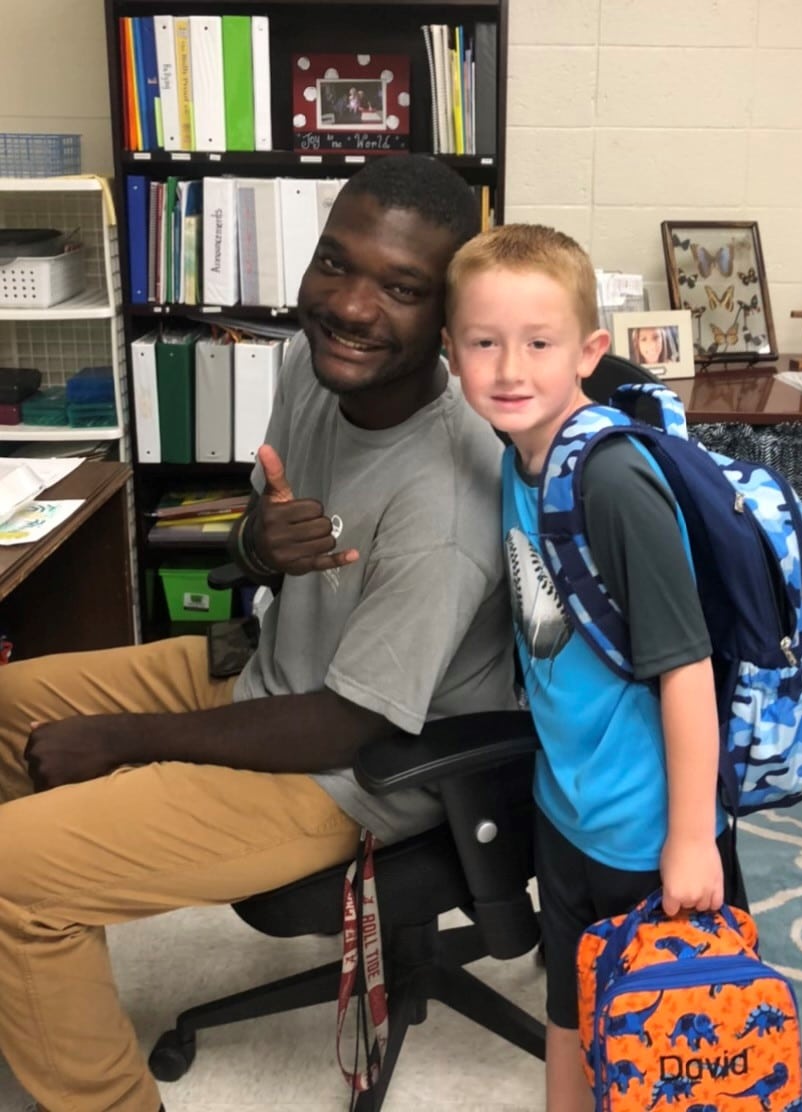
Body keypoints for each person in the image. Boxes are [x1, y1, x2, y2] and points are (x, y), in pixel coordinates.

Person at [0, 156, 516, 1112]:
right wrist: (257, 543)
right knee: (7, 705)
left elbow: (345, 729)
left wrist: (120, 742)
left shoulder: (446, 496)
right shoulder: (309, 367)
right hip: (274, 677)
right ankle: (32, 989)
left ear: (445, 318)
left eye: (400, 288)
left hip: (361, 770)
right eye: (336, 264)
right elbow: (258, 530)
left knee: (10, 875)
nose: (353, 306)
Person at [444, 223, 739, 1112]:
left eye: (539, 344)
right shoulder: (516, 453)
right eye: (484, 343)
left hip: (651, 827)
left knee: (671, 1046)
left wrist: (689, 838)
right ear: (453, 353)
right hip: (567, 805)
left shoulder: (611, 483)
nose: (509, 369)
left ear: (589, 352)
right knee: (571, 1011)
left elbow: (685, 669)